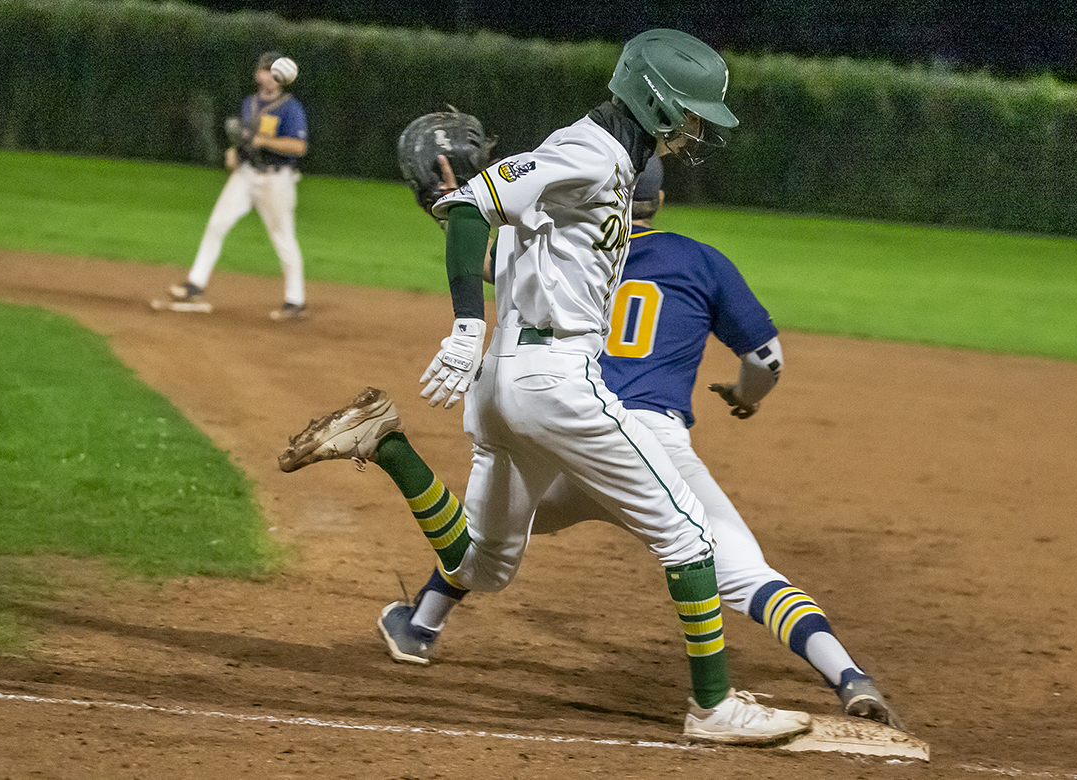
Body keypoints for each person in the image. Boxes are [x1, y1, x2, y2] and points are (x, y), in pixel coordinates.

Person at [279, 29, 813, 745]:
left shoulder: (607, 158)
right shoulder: (587, 151)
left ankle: (387, 444)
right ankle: (714, 710)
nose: (693, 129)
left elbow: (511, 221)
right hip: (553, 377)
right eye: (687, 113)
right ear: (654, 105)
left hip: (510, 381)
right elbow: (470, 205)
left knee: (482, 564)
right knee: (688, 533)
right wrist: (467, 325)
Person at [377, 156, 904, 729]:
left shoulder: (565, 247)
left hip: (567, 440)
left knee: (492, 533)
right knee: (735, 568)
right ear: (659, 199)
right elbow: (766, 359)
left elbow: (482, 251)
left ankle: (419, 626)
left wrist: (450, 199)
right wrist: (746, 395)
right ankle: (848, 677)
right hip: (650, 447)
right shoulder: (697, 260)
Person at [158, 51, 310, 321]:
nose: (269, 75)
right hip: (247, 175)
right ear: (258, 75)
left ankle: (295, 300)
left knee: (283, 238)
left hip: (277, 179)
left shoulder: (290, 108)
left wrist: (266, 142)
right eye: (265, 70)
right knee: (217, 223)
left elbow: (299, 146)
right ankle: (195, 284)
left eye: (274, 71)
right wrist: (235, 154)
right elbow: (245, 140)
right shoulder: (249, 104)